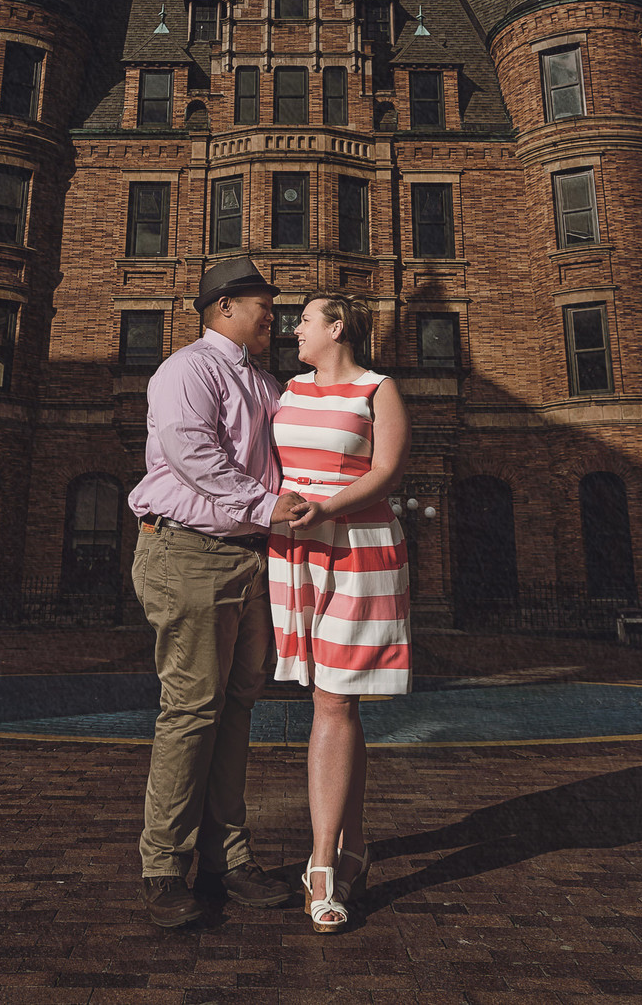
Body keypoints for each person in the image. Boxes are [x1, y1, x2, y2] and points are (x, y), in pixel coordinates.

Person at [126, 254, 315, 929]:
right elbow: (191, 451)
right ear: (224, 305)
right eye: (264, 302)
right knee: (192, 708)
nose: (274, 313)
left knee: (235, 709)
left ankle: (227, 860)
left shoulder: (263, 383)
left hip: (243, 558)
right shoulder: (187, 370)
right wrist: (266, 507)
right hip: (188, 551)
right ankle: (163, 868)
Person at [266, 293, 410, 934]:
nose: (294, 330)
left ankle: (321, 864)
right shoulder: (288, 390)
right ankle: (351, 850)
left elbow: (387, 471)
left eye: (304, 320)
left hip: (358, 548)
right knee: (332, 701)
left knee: (335, 701)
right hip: (295, 550)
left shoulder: (379, 389)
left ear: (337, 327)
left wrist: (327, 507)